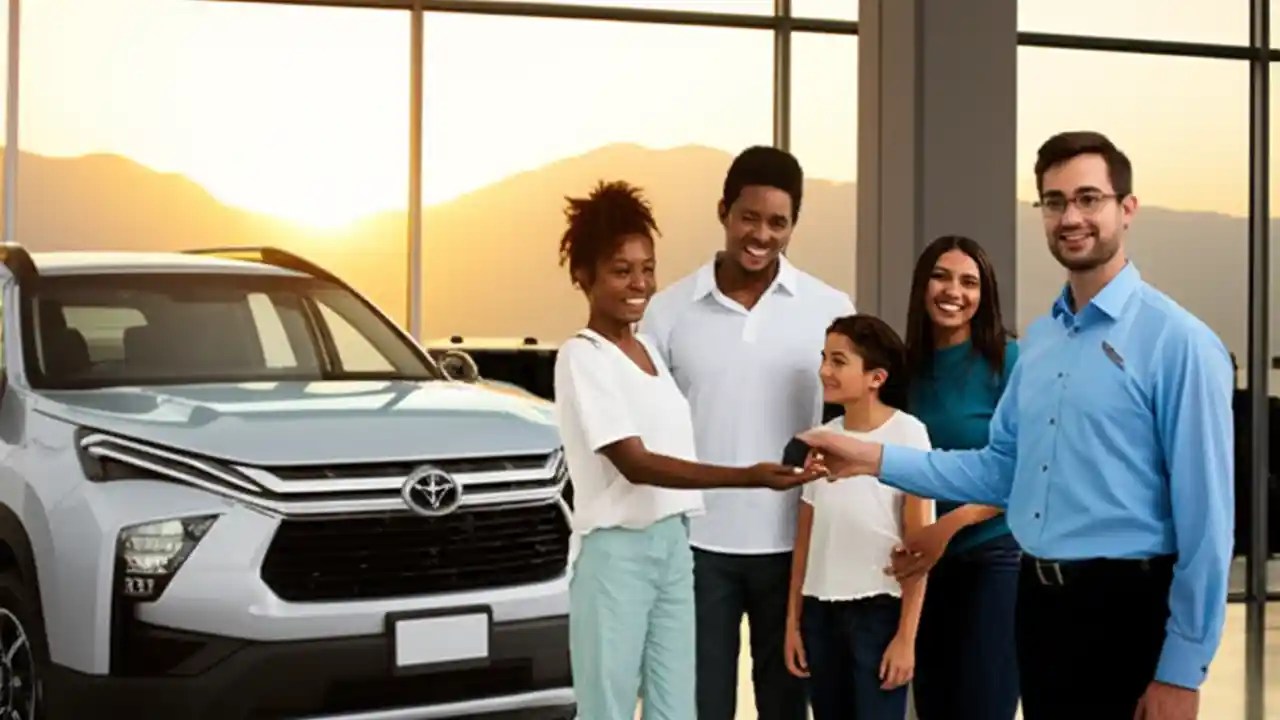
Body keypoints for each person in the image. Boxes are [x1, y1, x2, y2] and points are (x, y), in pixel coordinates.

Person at [800, 131, 1234, 720]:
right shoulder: (1042, 344)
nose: (1070, 217)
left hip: (1129, 609)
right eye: (1054, 202)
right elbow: (998, 468)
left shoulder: (1178, 343)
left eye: (1088, 199)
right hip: (1038, 606)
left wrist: (1182, 671)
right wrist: (872, 459)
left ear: (1126, 210)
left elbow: (1208, 522)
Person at [552, 180, 819, 720]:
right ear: (583, 276)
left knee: (677, 711)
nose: (640, 283)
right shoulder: (582, 358)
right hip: (615, 555)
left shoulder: (648, 347)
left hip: (675, 549)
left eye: (647, 268)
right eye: (620, 270)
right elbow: (636, 462)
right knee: (606, 709)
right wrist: (749, 477)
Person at [640, 146, 855, 720]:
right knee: (699, 706)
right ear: (724, 212)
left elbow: (849, 423)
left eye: (777, 222)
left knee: (785, 708)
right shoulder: (667, 312)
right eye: (749, 217)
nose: (761, 234)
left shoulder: (829, 309)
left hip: (793, 551)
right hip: (694, 549)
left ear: (792, 227)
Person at [892, 235, 1022, 719]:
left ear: (983, 295)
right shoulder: (906, 369)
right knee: (934, 705)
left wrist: (948, 527)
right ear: (922, 286)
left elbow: (1027, 469)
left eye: (969, 282)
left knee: (983, 706)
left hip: (992, 560)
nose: (953, 291)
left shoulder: (1009, 362)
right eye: (941, 276)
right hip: (924, 567)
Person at [783, 314, 933, 720]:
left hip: (879, 612)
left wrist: (906, 637)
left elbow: (919, 547)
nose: (823, 371)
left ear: (876, 377)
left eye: (838, 361)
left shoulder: (909, 435)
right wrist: (793, 622)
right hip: (819, 614)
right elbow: (806, 538)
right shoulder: (822, 438)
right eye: (823, 358)